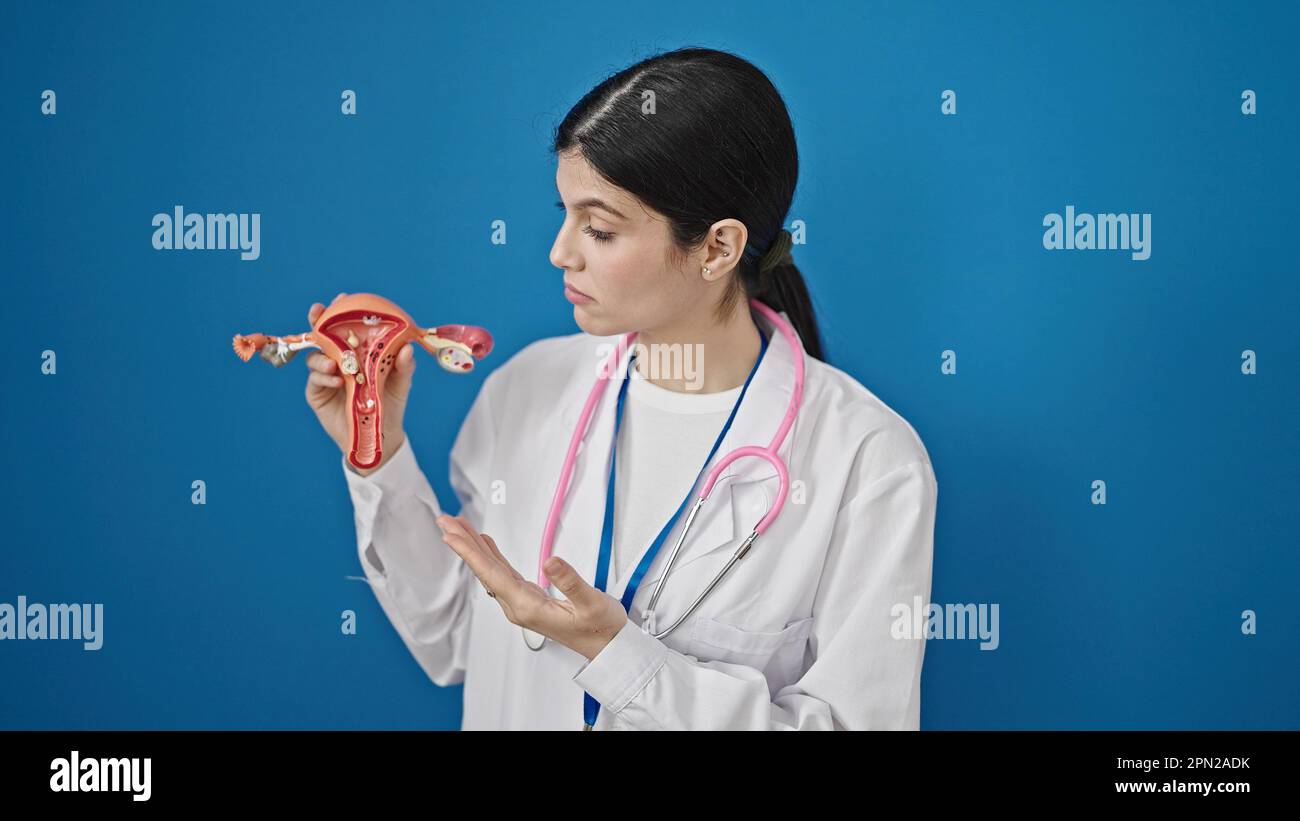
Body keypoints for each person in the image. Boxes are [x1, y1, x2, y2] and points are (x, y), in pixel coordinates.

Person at [303, 47, 937, 730]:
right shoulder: (526, 389)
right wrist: (379, 451)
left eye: (600, 228)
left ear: (718, 249)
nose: (560, 251)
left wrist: (619, 654)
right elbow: (453, 640)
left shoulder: (870, 463)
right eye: (566, 213)